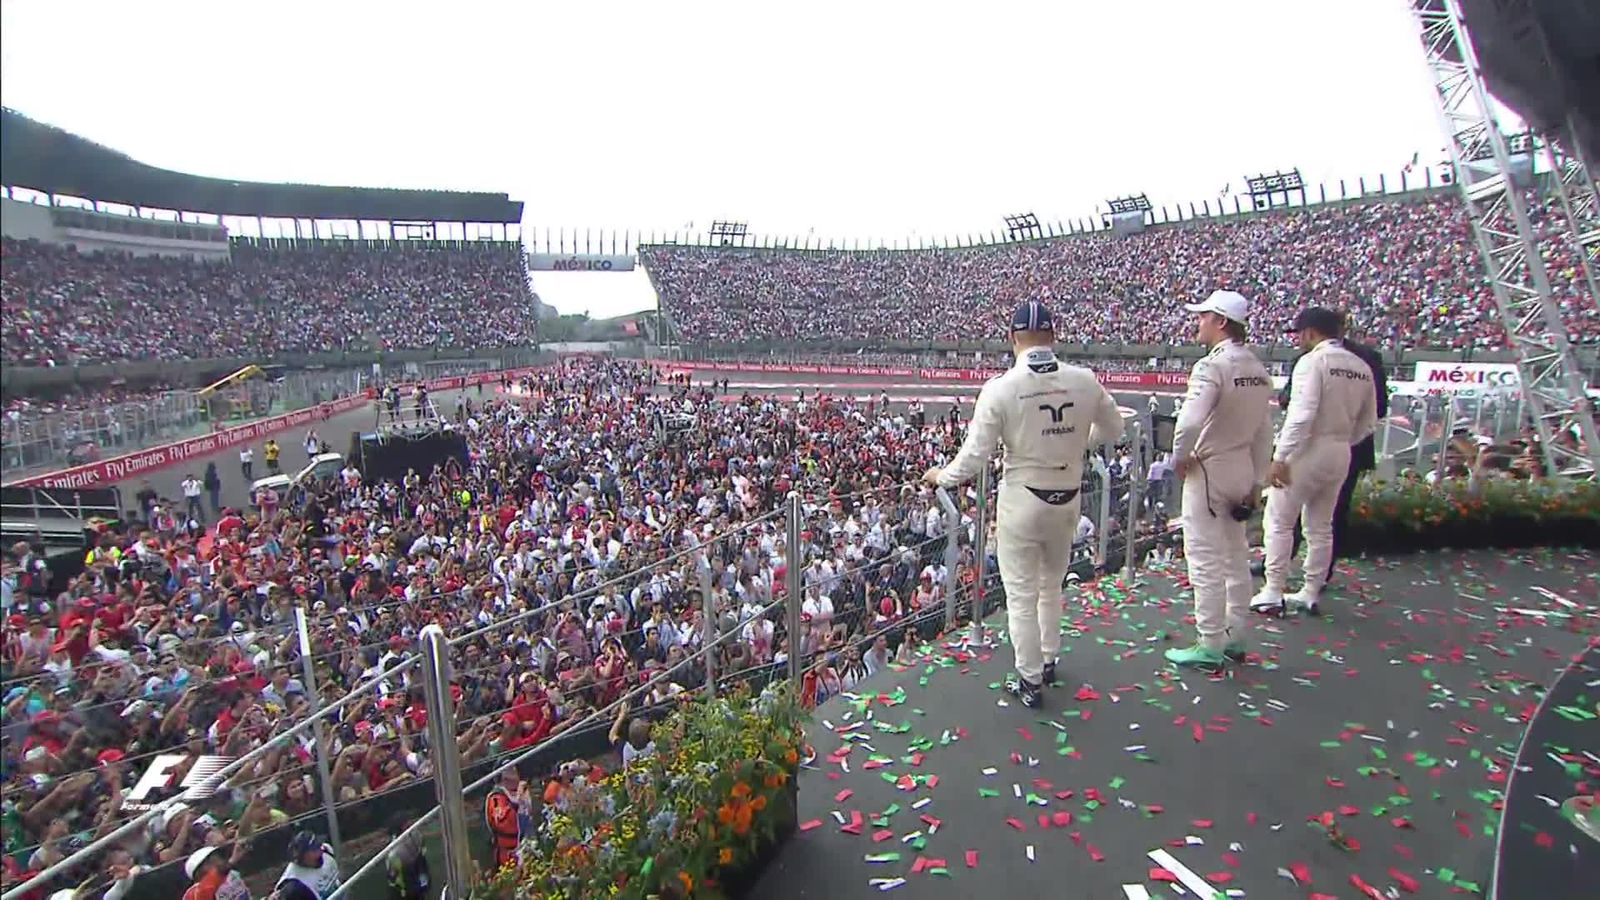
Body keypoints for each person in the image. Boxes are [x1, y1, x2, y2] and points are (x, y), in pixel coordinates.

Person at [924, 301, 1125, 708]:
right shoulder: (1084, 380)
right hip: (1068, 496)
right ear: (1053, 336)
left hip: (1023, 498)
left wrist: (940, 477)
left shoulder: (1001, 388)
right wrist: (1075, 444)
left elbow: (974, 456)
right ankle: (1048, 658)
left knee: (1020, 594)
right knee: (1051, 585)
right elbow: (1115, 428)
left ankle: (1030, 679)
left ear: (1012, 338)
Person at [1162, 291, 1274, 669]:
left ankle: (1209, 642)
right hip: (1242, 465)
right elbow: (1264, 434)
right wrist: (1258, 481)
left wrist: (1180, 457)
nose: (1199, 323)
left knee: (1206, 558)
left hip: (1209, 469)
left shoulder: (1212, 367)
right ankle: (1235, 635)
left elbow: (1190, 420)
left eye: (1204, 317)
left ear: (1221, 322)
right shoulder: (1258, 370)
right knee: (1235, 555)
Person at [1252, 307, 1378, 616]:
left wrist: (1280, 456)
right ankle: (1310, 590)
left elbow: (1301, 415)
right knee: (1321, 525)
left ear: (1310, 332)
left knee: (1279, 520)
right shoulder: (1361, 366)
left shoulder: (1312, 362)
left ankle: (1272, 589)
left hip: (1308, 448)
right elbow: (1369, 422)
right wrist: (1343, 440)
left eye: (1300, 334)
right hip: (1341, 449)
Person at [277, 831, 340, 899]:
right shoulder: (294, 886)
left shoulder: (327, 850)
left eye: (319, 844)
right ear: (303, 856)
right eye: (314, 848)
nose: (320, 848)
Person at [182, 842, 251, 900]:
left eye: (217, 856)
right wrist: (232, 861)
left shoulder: (230, 873)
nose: (218, 860)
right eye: (210, 861)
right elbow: (207, 887)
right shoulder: (194, 892)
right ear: (198, 872)